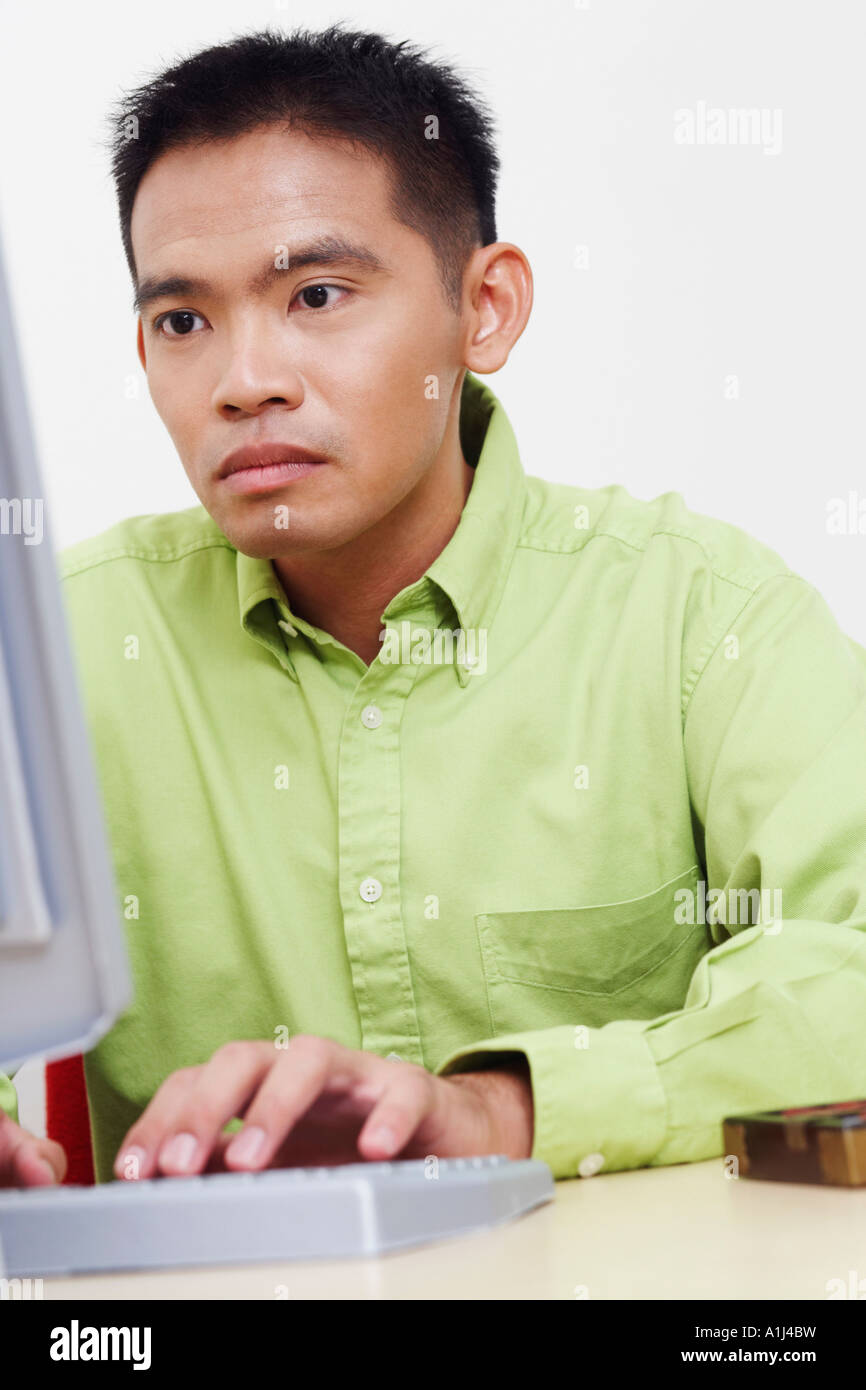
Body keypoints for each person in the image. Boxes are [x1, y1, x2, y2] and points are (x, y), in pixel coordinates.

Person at [2, 23, 865, 1188]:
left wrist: (499, 1109)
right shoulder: (52, 661)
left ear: (485, 309)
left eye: (314, 292)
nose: (244, 379)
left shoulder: (698, 618)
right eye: (183, 322)